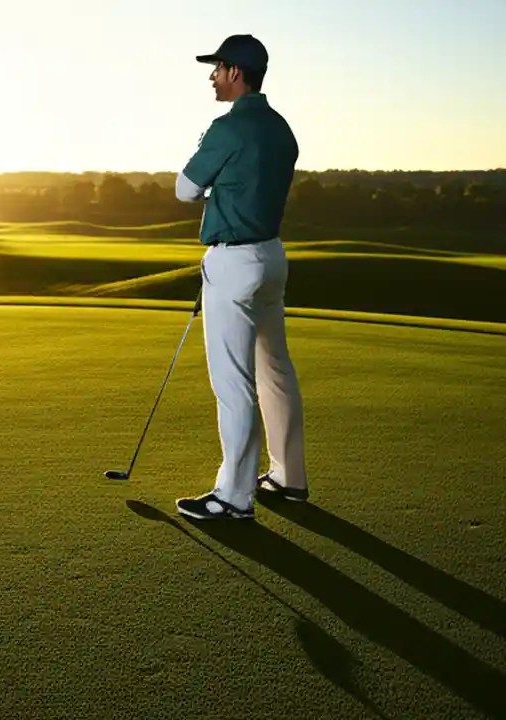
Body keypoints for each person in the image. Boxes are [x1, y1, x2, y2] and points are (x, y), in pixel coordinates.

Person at [173, 34, 309, 521]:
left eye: (217, 68)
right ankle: (289, 477)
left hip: (235, 263)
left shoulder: (227, 128)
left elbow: (185, 189)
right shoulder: (282, 129)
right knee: (276, 371)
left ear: (235, 73)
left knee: (234, 383)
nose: (211, 76)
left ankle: (232, 496)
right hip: (272, 256)